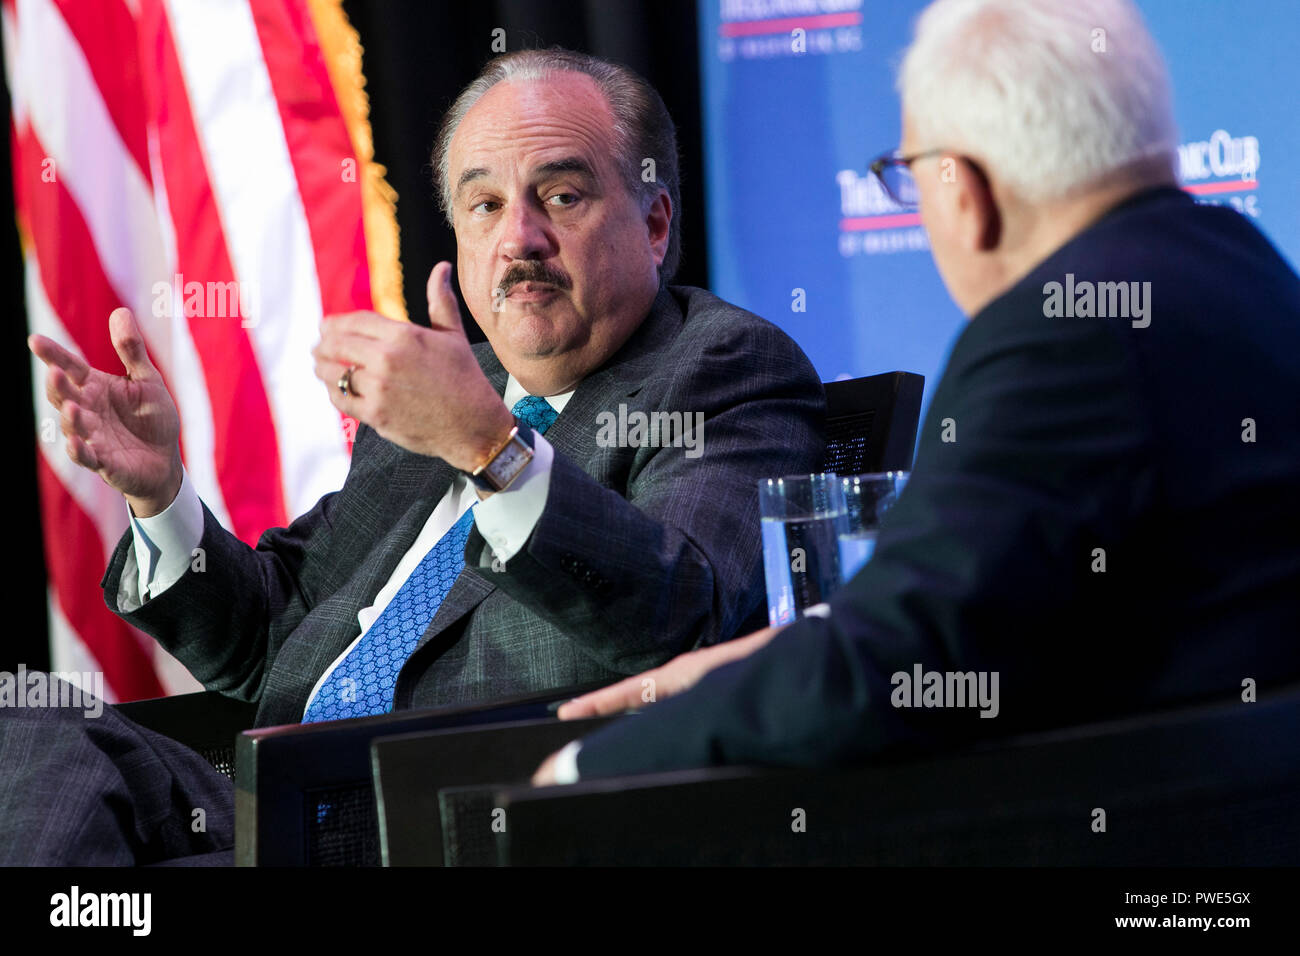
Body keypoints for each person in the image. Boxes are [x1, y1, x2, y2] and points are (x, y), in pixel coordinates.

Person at [10, 49, 825, 863]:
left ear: (653, 223)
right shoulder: (449, 390)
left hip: (461, 822)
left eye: (562, 196)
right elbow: (264, 636)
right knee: (29, 719)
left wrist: (489, 449)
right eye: (484, 205)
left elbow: (685, 621)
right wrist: (161, 497)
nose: (518, 239)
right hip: (272, 808)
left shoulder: (720, 368)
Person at [534, 0, 1300, 785]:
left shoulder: (1061, 333)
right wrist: (813, 644)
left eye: (905, 177)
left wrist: (581, 770)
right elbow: (999, 605)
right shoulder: (1251, 274)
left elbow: (904, 667)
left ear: (963, 190)